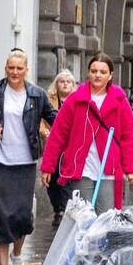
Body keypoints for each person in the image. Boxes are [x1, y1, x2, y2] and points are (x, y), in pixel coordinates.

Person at [0, 50, 57, 265]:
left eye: (19, 68)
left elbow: (56, 119)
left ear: (26, 70)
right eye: (11, 68)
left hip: (25, 163)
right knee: (0, 216)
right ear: (6, 68)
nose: (14, 72)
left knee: (22, 216)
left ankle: (17, 254)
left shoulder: (37, 94)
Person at [39, 53, 133, 213]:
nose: (97, 75)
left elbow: (129, 136)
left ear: (110, 75)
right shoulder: (75, 99)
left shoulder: (119, 100)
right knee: (84, 219)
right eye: (94, 71)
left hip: (109, 169)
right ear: (88, 73)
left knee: (106, 217)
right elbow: (58, 134)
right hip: (81, 168)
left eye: (102, 71)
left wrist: (132, 169)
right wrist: (48, 167)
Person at [40, 69, 77, 227]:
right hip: (53, 145)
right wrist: (45, 131)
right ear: (57, 84)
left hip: (70, 147)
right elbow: (41, 120)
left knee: (67, 178)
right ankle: (57, 207)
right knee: (53, 178)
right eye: (62, 81)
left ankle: (64, 208)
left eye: (68, 82)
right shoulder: (49, 100)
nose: (65, 84)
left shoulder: (77, 101)